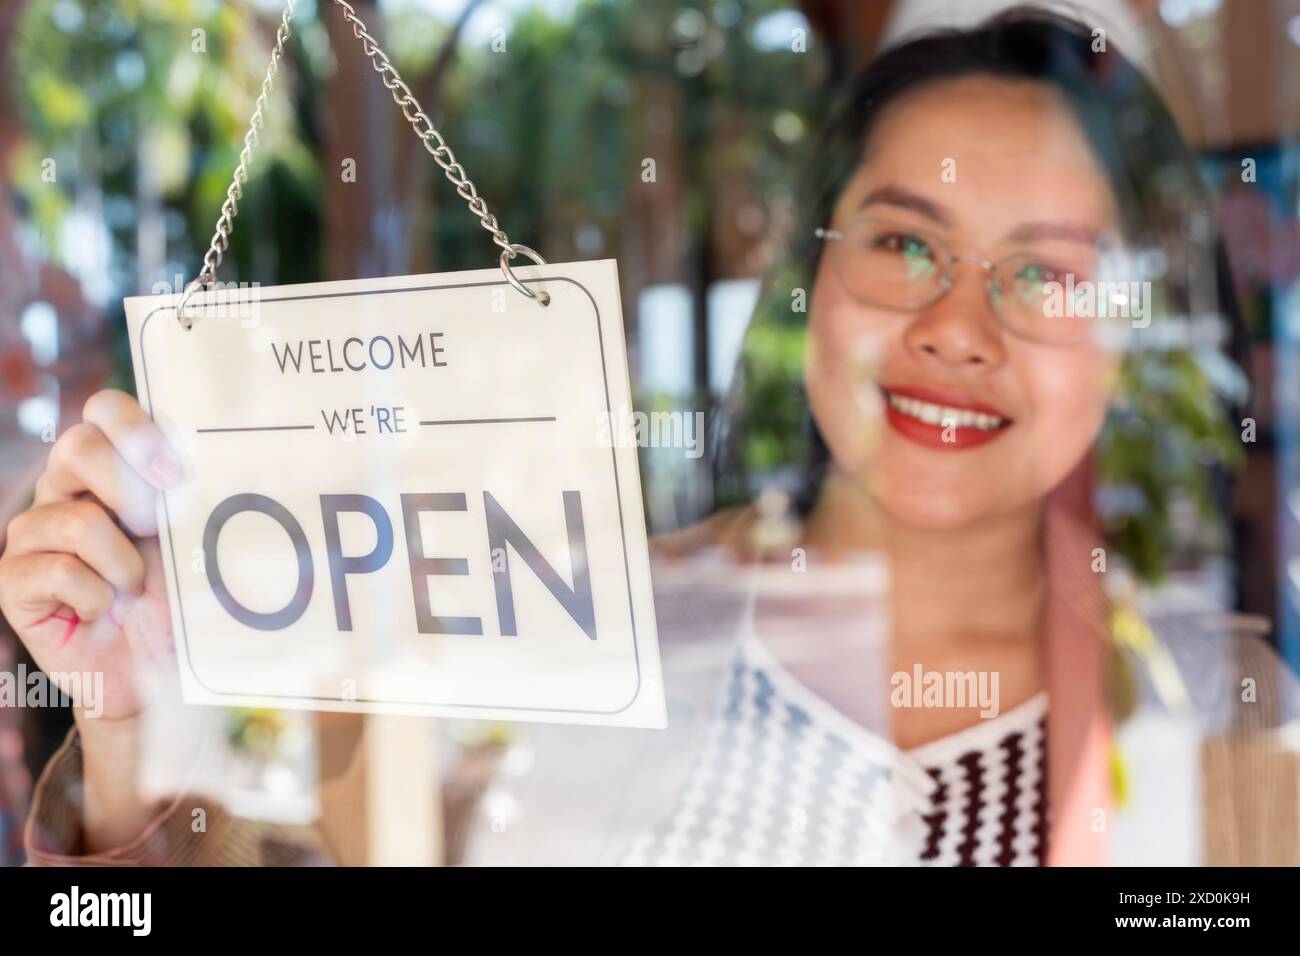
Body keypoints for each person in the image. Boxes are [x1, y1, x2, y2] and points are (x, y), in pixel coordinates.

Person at [0, 7, 1291, 866]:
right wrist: (135, 727)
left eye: (1050, 274)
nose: (959, 328)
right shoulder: (560, 635)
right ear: (811, 277)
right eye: (905, 243)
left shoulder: (1242, 730)